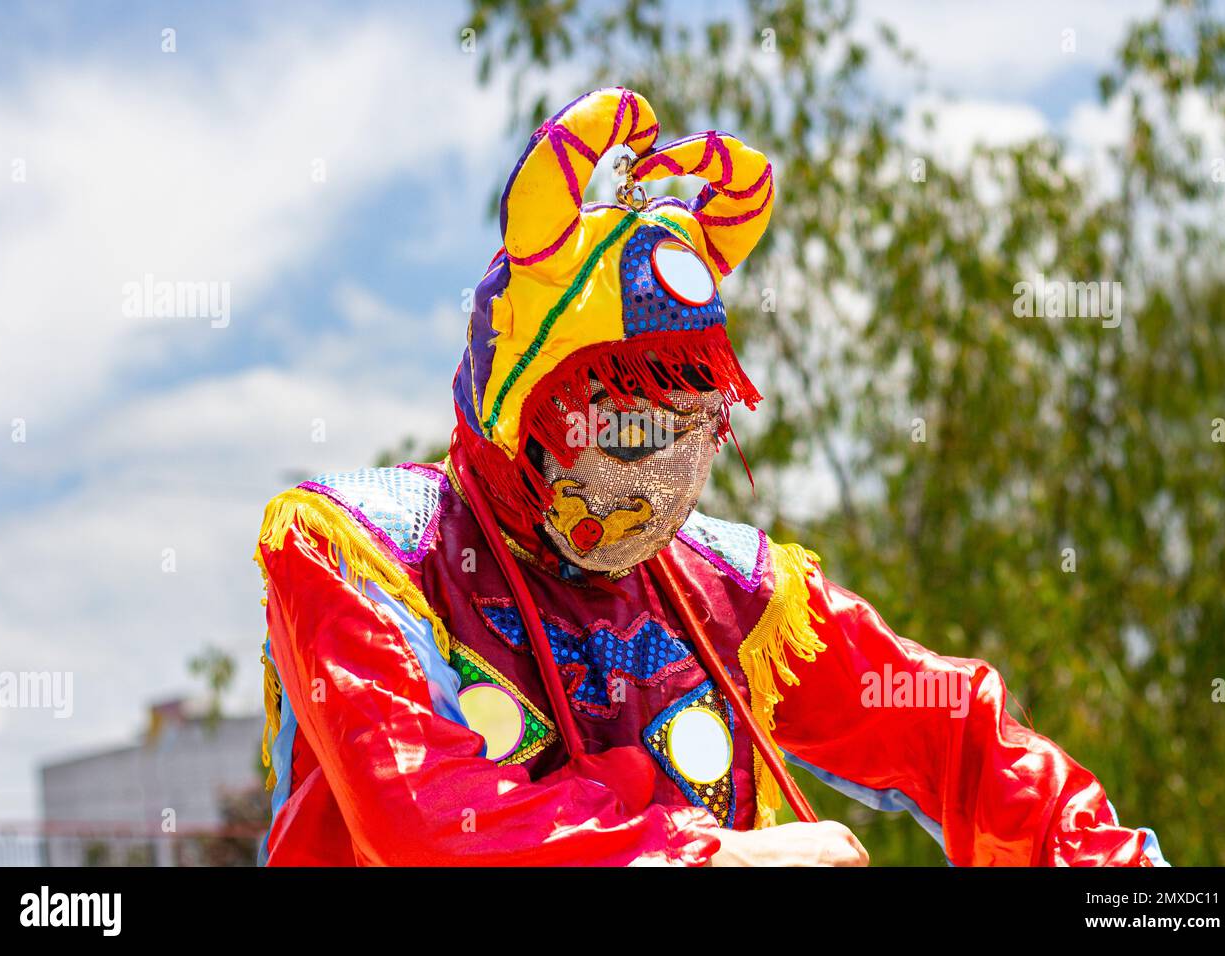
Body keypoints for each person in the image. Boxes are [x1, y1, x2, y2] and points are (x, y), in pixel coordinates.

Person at [254, 87, 1167, 867]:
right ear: (520, 407)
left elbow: (955, 732)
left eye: (698, 432)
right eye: (634, 428)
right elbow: (425, 827)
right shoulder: (358, 551)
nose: (668, 480)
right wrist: (715, 857)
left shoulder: (730, 589)